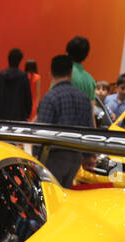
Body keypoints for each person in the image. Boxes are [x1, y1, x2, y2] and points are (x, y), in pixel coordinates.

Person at [36, 54, 92, 186]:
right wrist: (88, 154)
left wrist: (37, 157)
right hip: (76, 158)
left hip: (54, 157)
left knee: (50, 194)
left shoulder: (50, 98)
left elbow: (41, 132)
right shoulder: (84, 98)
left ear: (51, 73)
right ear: (71, 73)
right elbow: (89, 128)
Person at [0, 47, 31, 122]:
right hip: (18, 117)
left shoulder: (0, 76)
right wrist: (27, 114)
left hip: (0, 116)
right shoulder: (23, 77)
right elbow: (27, 98)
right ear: (20, 60)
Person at [66, 36, 95, 101]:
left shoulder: (61, 73)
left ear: (67, 51)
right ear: (86, 56)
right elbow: (91, 107)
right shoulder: (90, 81)